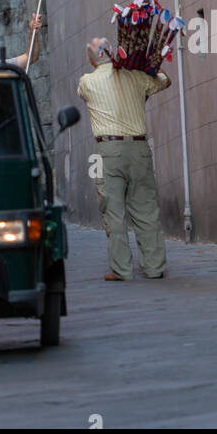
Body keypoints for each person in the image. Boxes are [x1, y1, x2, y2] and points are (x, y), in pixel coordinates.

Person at [77, 37, 171, 282]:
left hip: (108, 150)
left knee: (113, 210)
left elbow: (85, 94)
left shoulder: (87, 82)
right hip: (139, 148)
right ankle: (154, 267)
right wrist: (149, 66)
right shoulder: (135, 76)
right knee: (146, 209)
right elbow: (164, 81)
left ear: (90, 60)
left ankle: (122, 269)